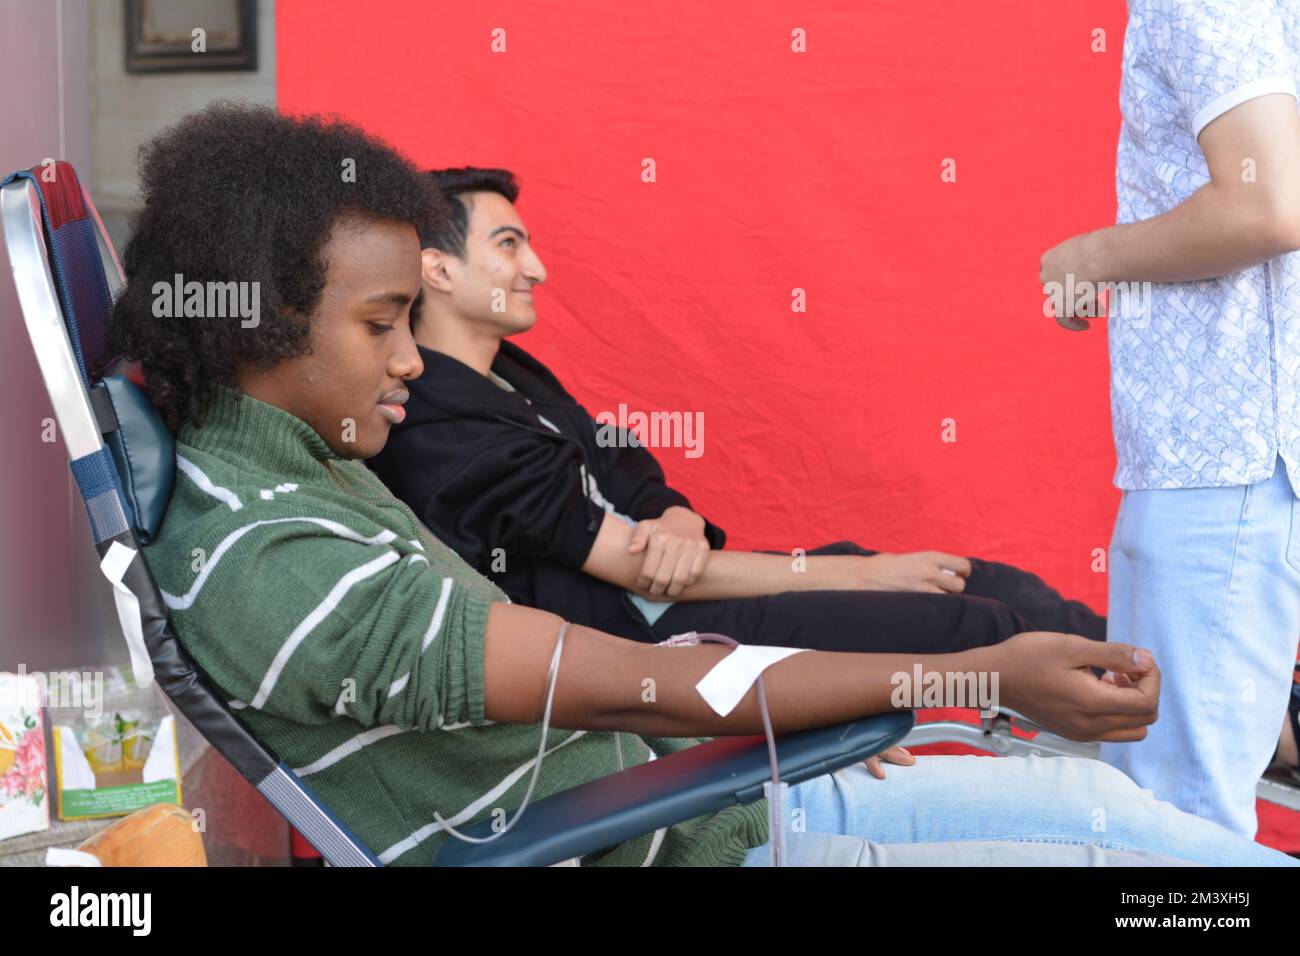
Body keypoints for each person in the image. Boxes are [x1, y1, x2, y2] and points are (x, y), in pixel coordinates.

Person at [109, 103, 1297, 867]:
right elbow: (637, 679)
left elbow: (630, 573)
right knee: (1158, 865)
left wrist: (801, 726)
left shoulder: (295, 465)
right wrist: (956, 681)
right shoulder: (281, 563)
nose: (409, 355)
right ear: (257, 322)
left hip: (705, 797)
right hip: (699, 830)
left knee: (1152, 834)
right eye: (380, 324)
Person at [366, 167, 1105, 657]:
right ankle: (1145, 746)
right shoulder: (439, 425)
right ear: (437, 267)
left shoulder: (512, 371)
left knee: (991, 580)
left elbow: (628, 470)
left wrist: (677, 517)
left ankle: (1176, 687)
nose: (537, 266)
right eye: (509, 244)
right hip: (648, 644)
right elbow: (638, 573)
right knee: (974, 622)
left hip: (684, 590)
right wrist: (852, 577)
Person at [1039, 0, 1300, 837]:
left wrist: (1091, 255)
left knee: (1171, 827)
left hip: (1226, 454)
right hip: (1250, 448)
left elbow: (1268, 207)